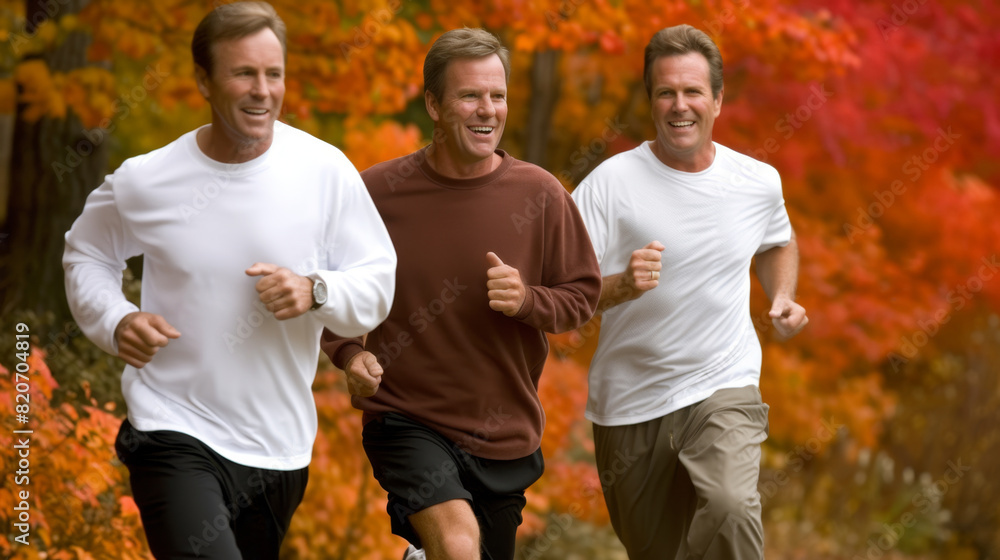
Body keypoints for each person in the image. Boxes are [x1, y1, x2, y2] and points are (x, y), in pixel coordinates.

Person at [62, 3, 396, 558]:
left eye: (274, 74)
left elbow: (378, 284)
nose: (262, 90)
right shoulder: (149, 180)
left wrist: (316, 290)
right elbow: (86, 252)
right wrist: (115, 319)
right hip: (171, 428)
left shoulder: (324, 170)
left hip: (278, 449)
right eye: (244, 73)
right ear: (204, 80)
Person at [321, 28, 602, 560]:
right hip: (406, 416)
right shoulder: (378, 192)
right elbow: (333, 282)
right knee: (456, 543)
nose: (487, 110)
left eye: (497, 95)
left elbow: (581, 297)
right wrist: (349, 351)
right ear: (433, 103)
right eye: (470, 95)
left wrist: (526, 301)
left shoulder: (540, 194)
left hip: (503, 432)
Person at [571, 24, 809, 560]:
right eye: (666, 92)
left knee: (730, 506)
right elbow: (563, 294)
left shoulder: (757, 182)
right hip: (630, 403)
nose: (681, 105)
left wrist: (781, 296)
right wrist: (622, 286)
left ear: (718, 100)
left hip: (723, 384)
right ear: (652, 101)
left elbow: (778, 240)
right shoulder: (610, 185)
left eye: (693, 91)